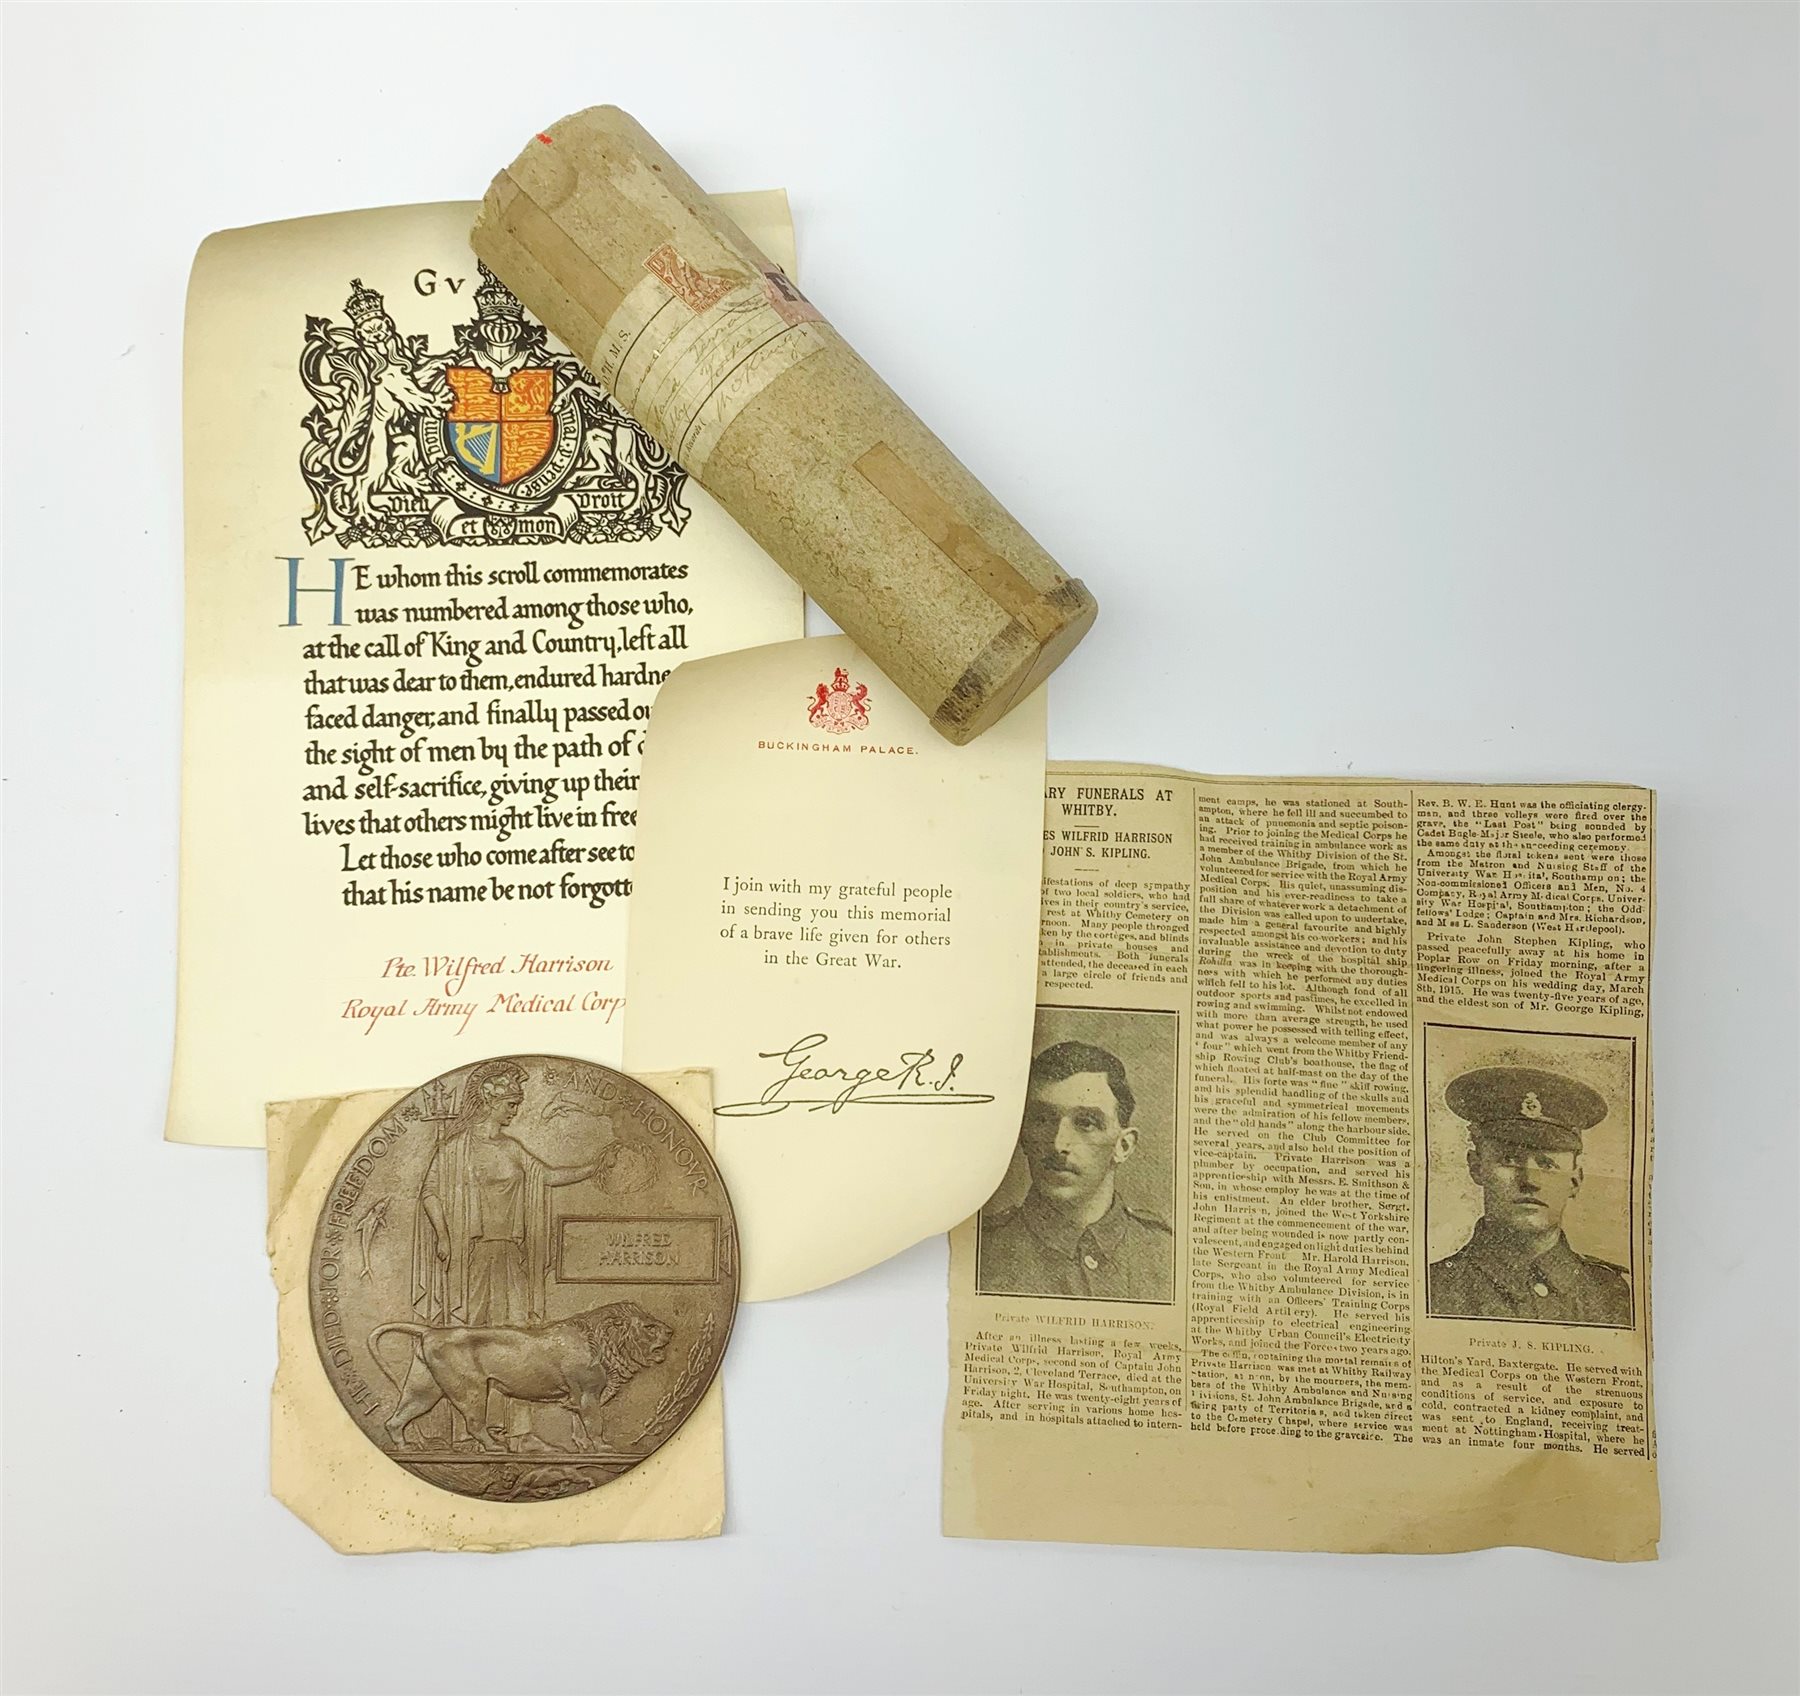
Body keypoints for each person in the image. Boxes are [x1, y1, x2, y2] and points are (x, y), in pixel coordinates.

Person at [409, 1059, 609, 1450]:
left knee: (521, 1341)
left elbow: (546, 1176)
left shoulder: (512, 1149)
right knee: (468, 1341)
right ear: (489, 1100)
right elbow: (430, 1192)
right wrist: (444, 1236)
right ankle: (470, 1433)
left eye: (517, 1104)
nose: (515, 1111)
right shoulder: (455, 1150)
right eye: (511, 1104)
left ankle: (522, 1434)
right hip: (471, 1258)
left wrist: (592, 1167)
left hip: (510, 1257)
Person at [1427, 1065, 1631, 1326]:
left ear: (1575, 1180)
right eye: (1509, 1160)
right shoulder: (1435, 1289)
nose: (1530, 1181)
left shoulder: (1611, 1295)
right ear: (1477, 1167)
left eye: (1547, 1164)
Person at [979, 1040, 1173, 1302]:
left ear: (1123, 1146)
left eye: (1086, 1123)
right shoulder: (984, 1249)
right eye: (1042, 1119)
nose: (1058, 1144)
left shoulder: (1166, 1253)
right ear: (1023, 1135)